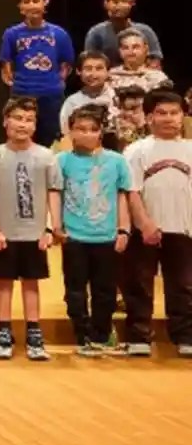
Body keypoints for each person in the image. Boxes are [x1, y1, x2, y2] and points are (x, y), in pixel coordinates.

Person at [0, 97, 62, 361]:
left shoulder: (47, 156)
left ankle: (34, 333)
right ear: (5, 121)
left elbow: (53, 193)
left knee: (31, 283)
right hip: (6, 232)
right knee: (4, 282)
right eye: (17, 118)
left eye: (28, 120)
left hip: (34, 232)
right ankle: (3, 332)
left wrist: (50, 228)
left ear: (36, 125)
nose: (22, 124)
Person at [122, 90, 192, 357]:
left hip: (183, 228)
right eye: (161, 113)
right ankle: (139, 336)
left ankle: (185, 335)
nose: (168, 118)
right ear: (149, 117)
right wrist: (144, 223)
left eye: (174, 113)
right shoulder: (137, 150)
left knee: (184, 285)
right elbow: (132, 190)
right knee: (139, 283)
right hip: (146, 229)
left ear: (183, 116)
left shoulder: (190, 149)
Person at [57, 105, 130, 356]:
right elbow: (56, 195)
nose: (87, 134)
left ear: (100, 132)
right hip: (75, 236)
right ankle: (82, 333)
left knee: (105, 290)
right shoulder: (62, 161)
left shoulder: (117, 161)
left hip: (106, 236)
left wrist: (123, 230)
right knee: (75, 289)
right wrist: (55, 227)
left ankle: (101, 334)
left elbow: (122, 196)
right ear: (70, 131)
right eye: (80, 129)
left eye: (92, 130)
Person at [0, 0, 76, 147]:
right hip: (22, 94)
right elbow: (6, 64)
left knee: (50, 140)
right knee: (21, 138)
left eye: (35, 0)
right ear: (20, 6)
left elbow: (66, 64)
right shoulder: (12, 34)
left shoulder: (59, 34)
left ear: (45, 2)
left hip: (51, 96)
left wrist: (55, 83)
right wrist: (16, 85)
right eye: (26, 1)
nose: (31, 5)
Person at [83, 0, 162, 68]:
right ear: (106, 4)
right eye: (115, 1)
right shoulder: (96, 33)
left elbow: (155, 65)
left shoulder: (146, 31)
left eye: (123, 1)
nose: (119, 6)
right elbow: (89, 65)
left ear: (132, 2)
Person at [60, 51, 116, 141]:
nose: (93, 74)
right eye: (88, 69)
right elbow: (66, 134)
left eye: (99, 68)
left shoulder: (117, 97)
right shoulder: (72, 102)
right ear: (79, 71)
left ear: (108, 72)